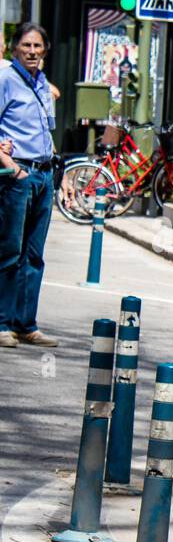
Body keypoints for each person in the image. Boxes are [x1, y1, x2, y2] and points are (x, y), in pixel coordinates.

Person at [0, 23, 60, 349]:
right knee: (10, 251)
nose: (33, 51)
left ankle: (26, 324)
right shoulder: (6, 79)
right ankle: (3, 322)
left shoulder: (41, 84)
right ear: (15, 49)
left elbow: (47, 127)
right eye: (27, 45)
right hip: (18, 175)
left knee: (34, 256)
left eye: (38, 46)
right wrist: (10, 166)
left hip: (44, 174)